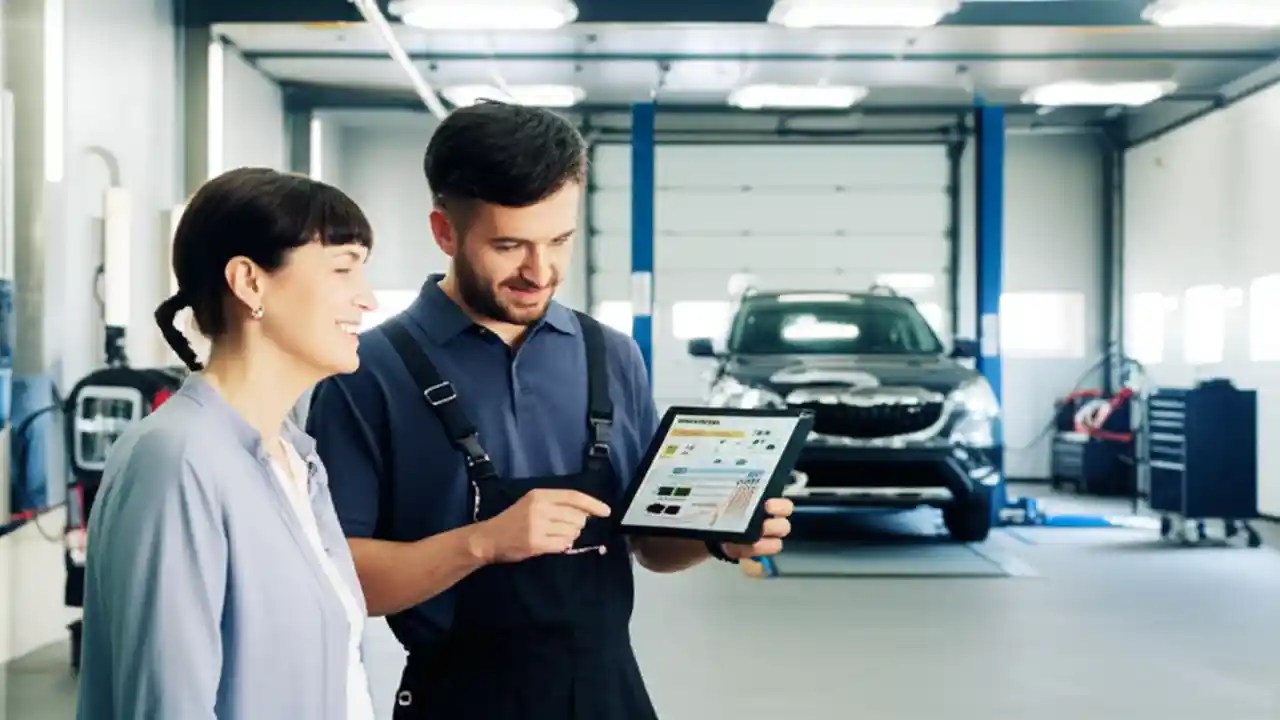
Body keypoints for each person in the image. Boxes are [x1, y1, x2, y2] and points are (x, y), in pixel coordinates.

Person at [305, 100, 794, 720]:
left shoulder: (611, 356)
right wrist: (483, 542)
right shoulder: (365, 372)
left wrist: (717, 535)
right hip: (458, 700)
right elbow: (339, 580)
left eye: (559, 240)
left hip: (609, 695)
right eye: (509, 245)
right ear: (445, 232)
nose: (540, 272)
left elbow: (649, 547)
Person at [76, 167, 380, 720]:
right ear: (249, 283)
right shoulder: (178, 460)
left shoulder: (295, 459)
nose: (367, 299)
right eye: (343, 269)